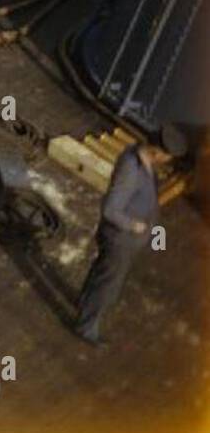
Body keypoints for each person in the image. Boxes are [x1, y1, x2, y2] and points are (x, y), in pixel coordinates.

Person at [74, 141, 160, 346]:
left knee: (101, 271)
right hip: (120, 239)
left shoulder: (144, 163)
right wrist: (133, 226)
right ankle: (87, 327)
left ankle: (84, 303)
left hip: (124, 240)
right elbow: (110, 209)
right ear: (157, 152)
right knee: (108, 285)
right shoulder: (131, 168)